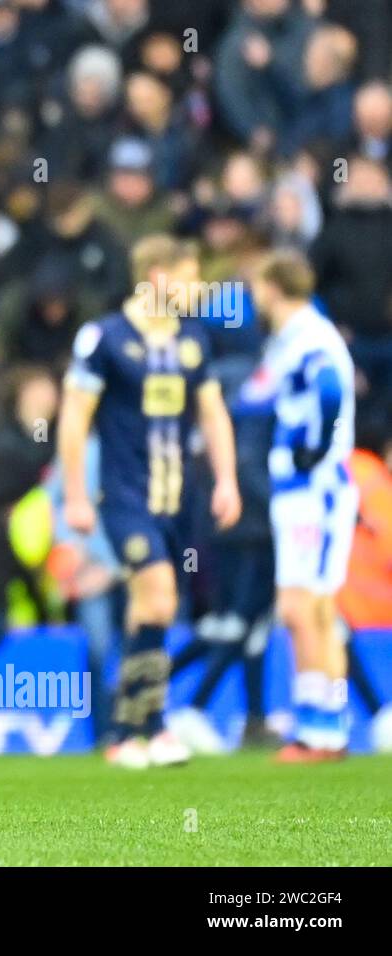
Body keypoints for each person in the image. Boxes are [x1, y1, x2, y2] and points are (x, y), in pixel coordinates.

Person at [58, 235, 242, 769]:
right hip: (124, 495)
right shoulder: (105, 338)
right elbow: (74, 417)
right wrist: (74, 493)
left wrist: (226, 479)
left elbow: (212, 414)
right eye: (190, 278)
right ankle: (141, 727)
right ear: (158, 277)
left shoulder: (192, 338)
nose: (199, 290)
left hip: (177, 499)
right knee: (158, 596)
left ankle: (133, 730)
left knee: (152, 609)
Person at [245, 250, 358, 761]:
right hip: (301, 491)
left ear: (272, 287)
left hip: (315, 489)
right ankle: (326, 726)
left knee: (301, 607)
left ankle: (319, 729)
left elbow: (331, 389)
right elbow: (259, 395)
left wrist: (316, 447)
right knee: (315, 609)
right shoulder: (293, 339)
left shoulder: (309, 337)